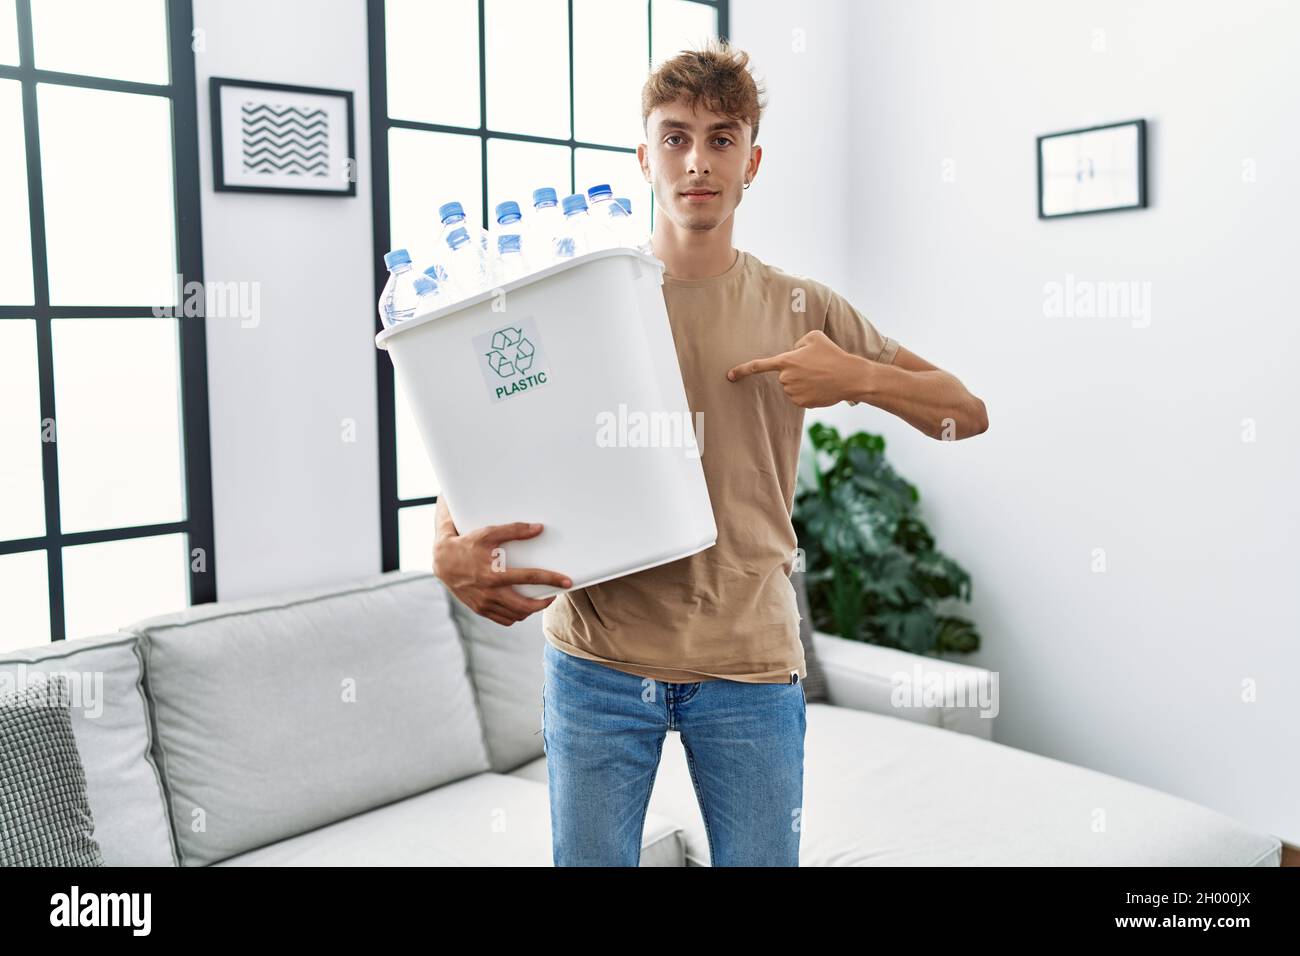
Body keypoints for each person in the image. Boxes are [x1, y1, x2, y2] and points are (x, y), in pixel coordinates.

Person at [433, 38, 989, 867]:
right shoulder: (580, 297)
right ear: (643, 155)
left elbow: (964, 415)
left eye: (722, 138)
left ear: (752, 160)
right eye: (676, 137)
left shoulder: (804, 306)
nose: (698, 161)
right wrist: (445, 547)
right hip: (596, 665)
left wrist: (859, 376)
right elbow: (486, 428)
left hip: (751, 668)